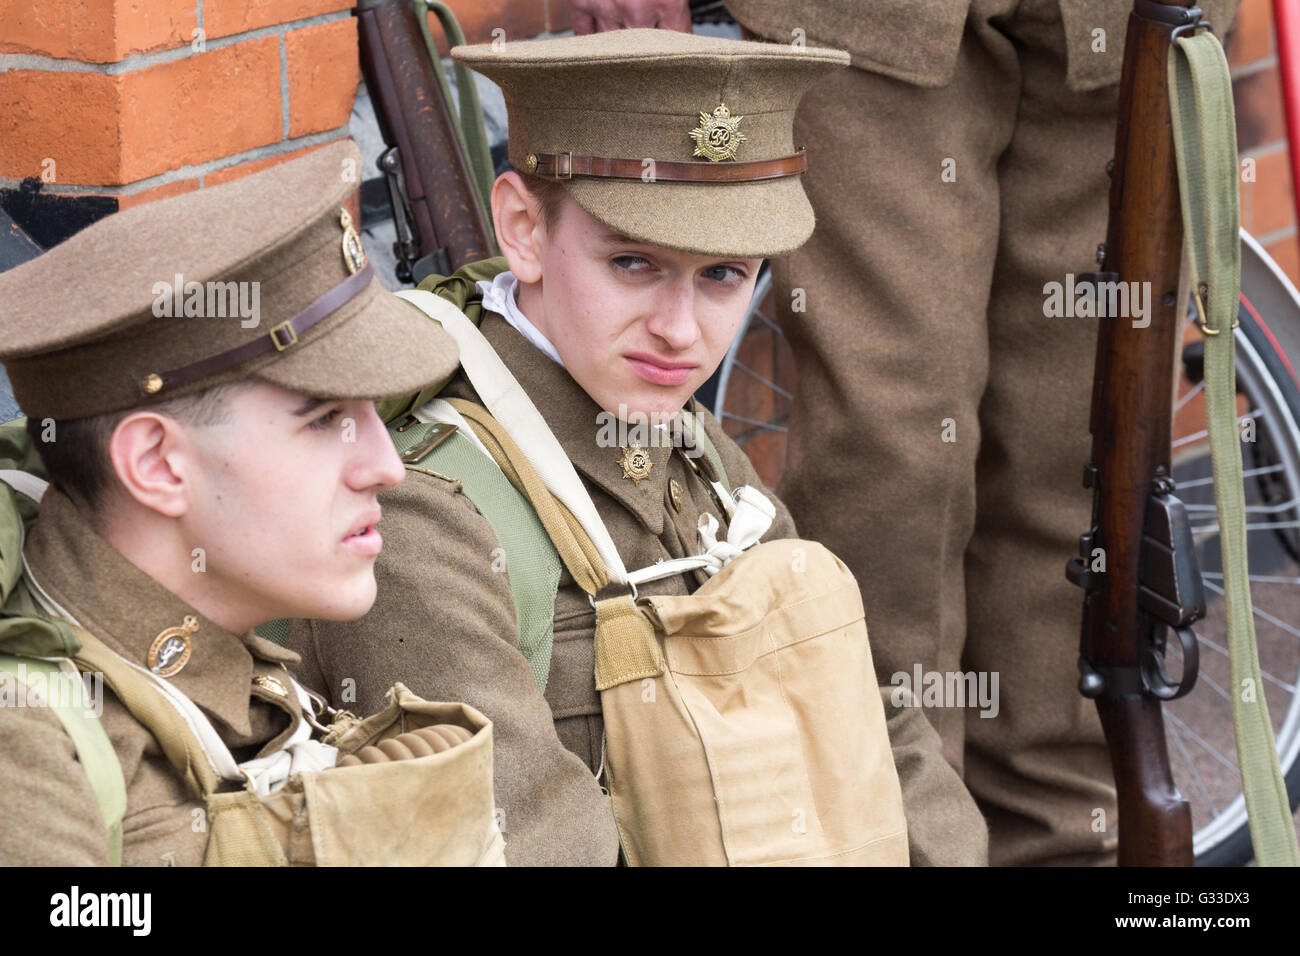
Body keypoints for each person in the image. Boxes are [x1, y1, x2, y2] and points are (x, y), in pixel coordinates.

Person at [286, 29, 989, 866]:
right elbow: (529, 843)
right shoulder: (425, 515)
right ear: (522, 228)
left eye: (725, 274)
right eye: (632, 262)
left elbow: (869, 717)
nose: (682, 332)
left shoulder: (693, 450)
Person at [570, 0, 1239, 864]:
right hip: (870, 20)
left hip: (1125, 21)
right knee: (892, 453)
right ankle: (896, 837)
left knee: (1084, 465)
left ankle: (1065, 841)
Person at [0, 140, 486, 866]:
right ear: (159, 465)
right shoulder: (37, 761)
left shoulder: (238, 673)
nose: (386, 467)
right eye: (324, 421)